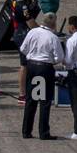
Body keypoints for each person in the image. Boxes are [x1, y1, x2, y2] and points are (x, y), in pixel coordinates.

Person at [19, 11, 64, 139]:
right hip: (44, 68)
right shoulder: (53, 37)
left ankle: (26, 131)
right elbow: (59, 57)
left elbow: (23, 49)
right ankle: (43, 132)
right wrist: (51, 61)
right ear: (54, 24)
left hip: (32, 66)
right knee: (44, 101)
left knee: (31, 100)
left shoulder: (32, 32)